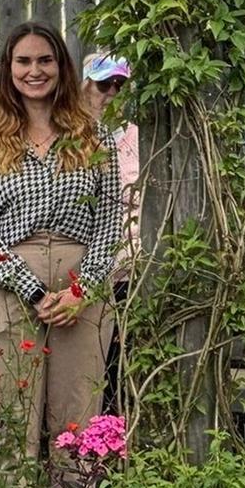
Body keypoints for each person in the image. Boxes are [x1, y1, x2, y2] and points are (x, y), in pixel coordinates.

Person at [0, 23, 126, 454]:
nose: (34, 70)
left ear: (61, 67)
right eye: (23, 61)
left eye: (44, 60)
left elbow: (109, 223)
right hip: (10, 287)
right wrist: (33, 290)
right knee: (12, 419)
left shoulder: (95, 138)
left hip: (81, 290)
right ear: (8, 70)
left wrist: (81, 290)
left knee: (78, 416)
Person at [82, 53, 140, 415]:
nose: (113, 92)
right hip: (87, 275)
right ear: (86, 84)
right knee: (91, 372)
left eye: (120, 85)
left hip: (132, 274)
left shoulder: (138, 135)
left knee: (124, 368)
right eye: (105, 84)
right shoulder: (72, 134)